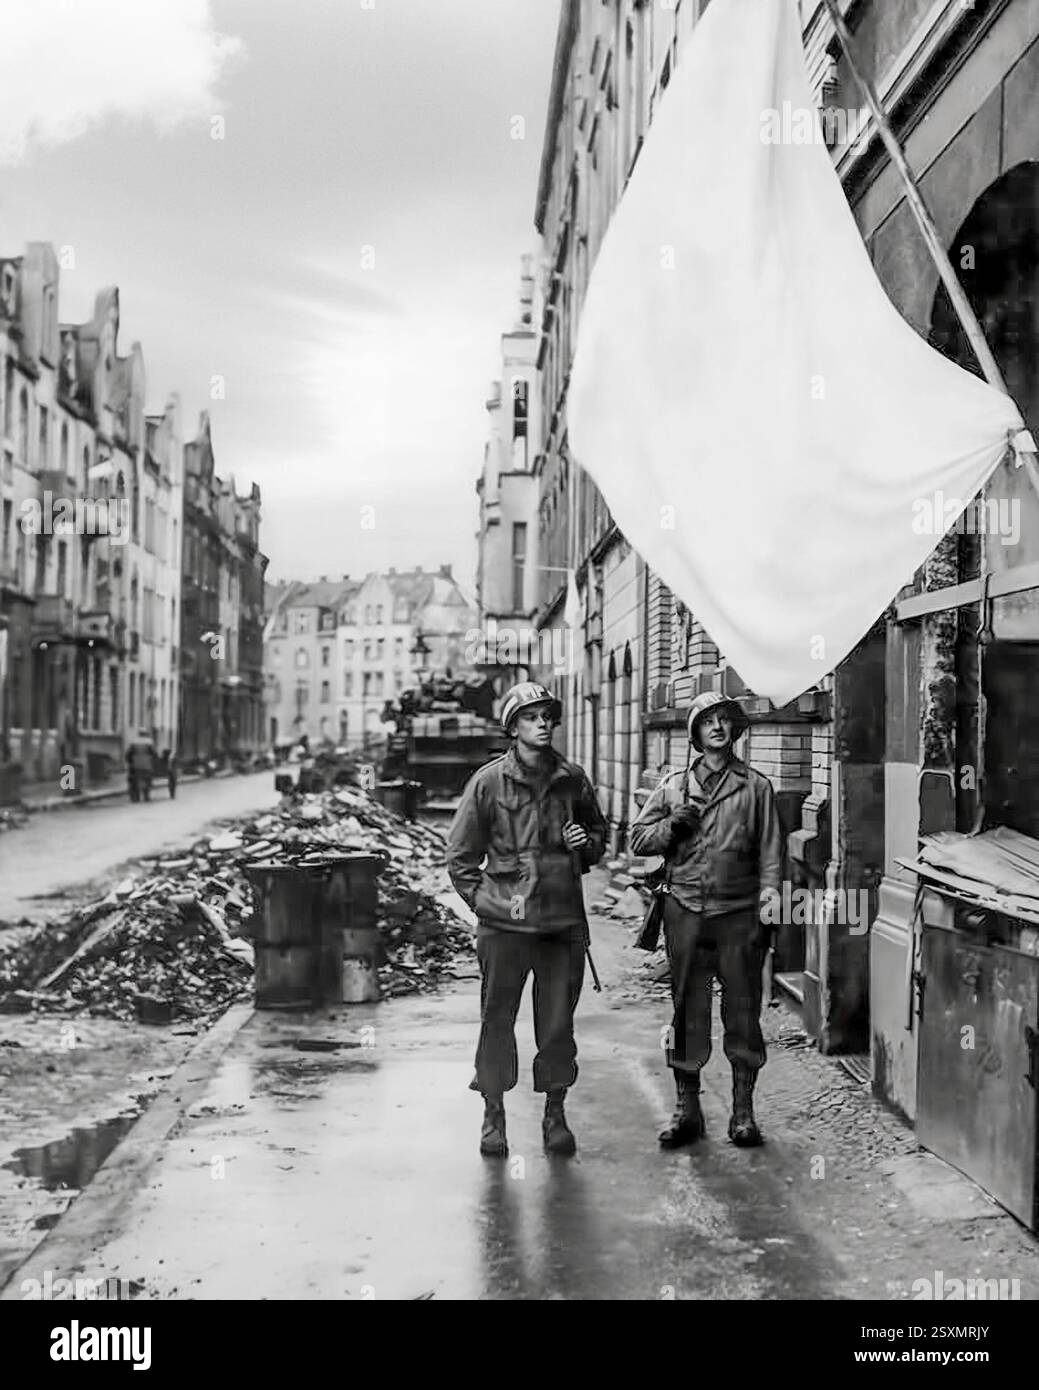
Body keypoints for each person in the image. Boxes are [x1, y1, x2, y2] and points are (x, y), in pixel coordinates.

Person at [446, 681, 607, 1158]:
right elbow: (459, 858)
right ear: (513, 726)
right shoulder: (488, 782)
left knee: (557, 1027)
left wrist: (586, 844)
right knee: (497, 1020)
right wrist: (489, 904)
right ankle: (493, 1113)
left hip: (560, 925)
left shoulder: (572, 779)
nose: (543, 724)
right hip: (505, 929)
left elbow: (598, 837)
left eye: (547, 717)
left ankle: (555, 1114)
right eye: (532, 717)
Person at [631, 691, 782, 1149]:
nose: (717, 726)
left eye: (724, 720)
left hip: (738, 913)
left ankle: (742, 1111)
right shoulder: (675, 786)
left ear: (734, 730)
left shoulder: (756, 787)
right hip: (686, 910)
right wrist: (672, 825)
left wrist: (771, 894)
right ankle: (688, 1109)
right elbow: (638, 839)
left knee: (742, 1009)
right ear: (695, 732)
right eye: (707, 720)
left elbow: (771, 850)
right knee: (687, 1009)